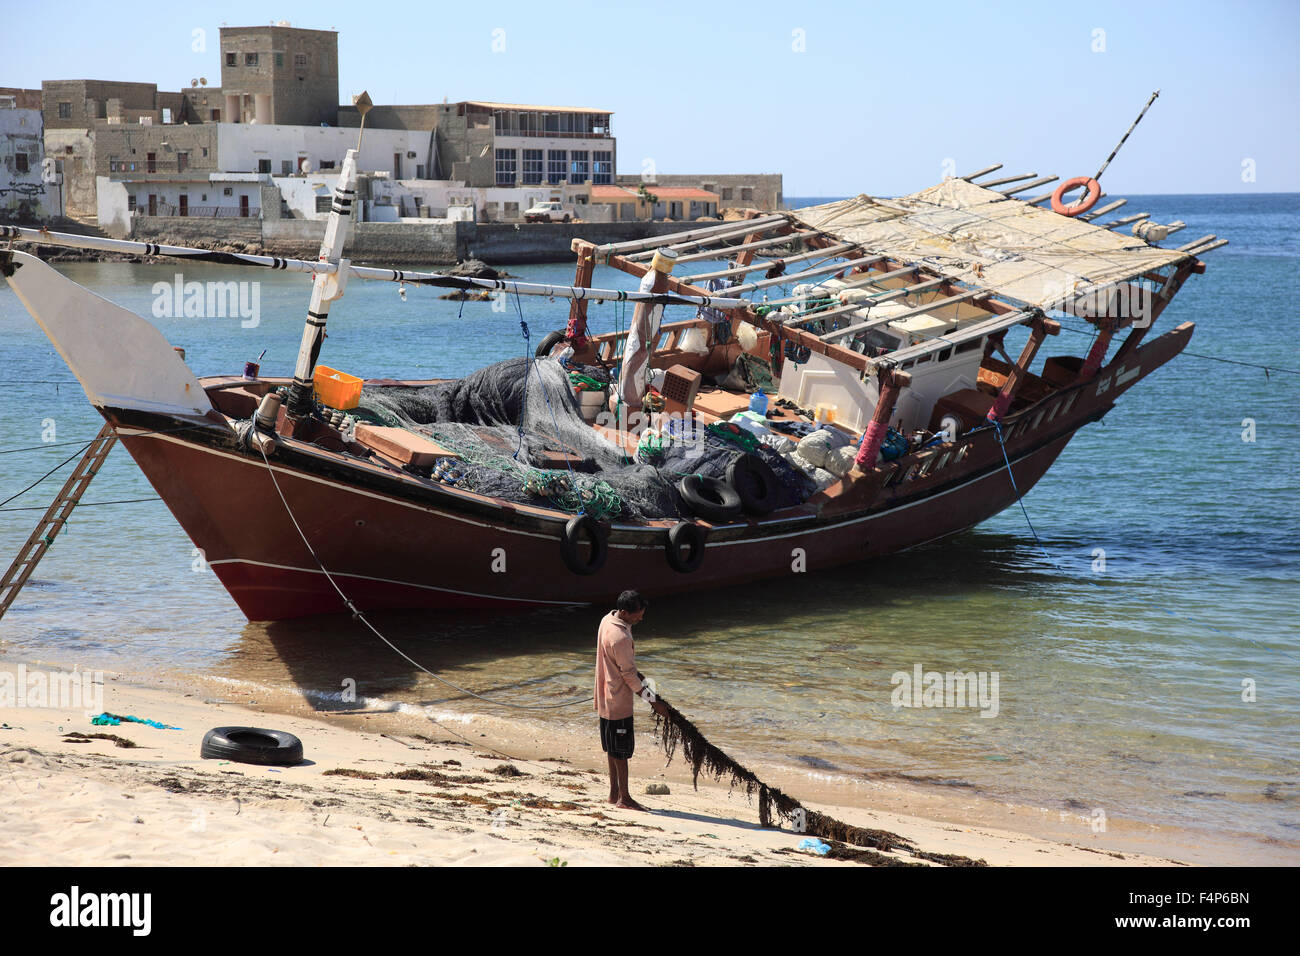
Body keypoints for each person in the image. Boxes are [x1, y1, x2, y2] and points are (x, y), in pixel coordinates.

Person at [595, 589, 667, 810]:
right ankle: (624, 798)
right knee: (621, 751)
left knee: (611, 748)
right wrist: (653, 702)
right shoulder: (621, 637)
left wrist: (639, 675)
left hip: (605, 697)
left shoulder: (607, 620)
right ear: (625, 612)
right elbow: (628, 676)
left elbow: (624, 667)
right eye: (638, 615)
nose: (641, 618)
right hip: (618, 702)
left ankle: (613, 793)